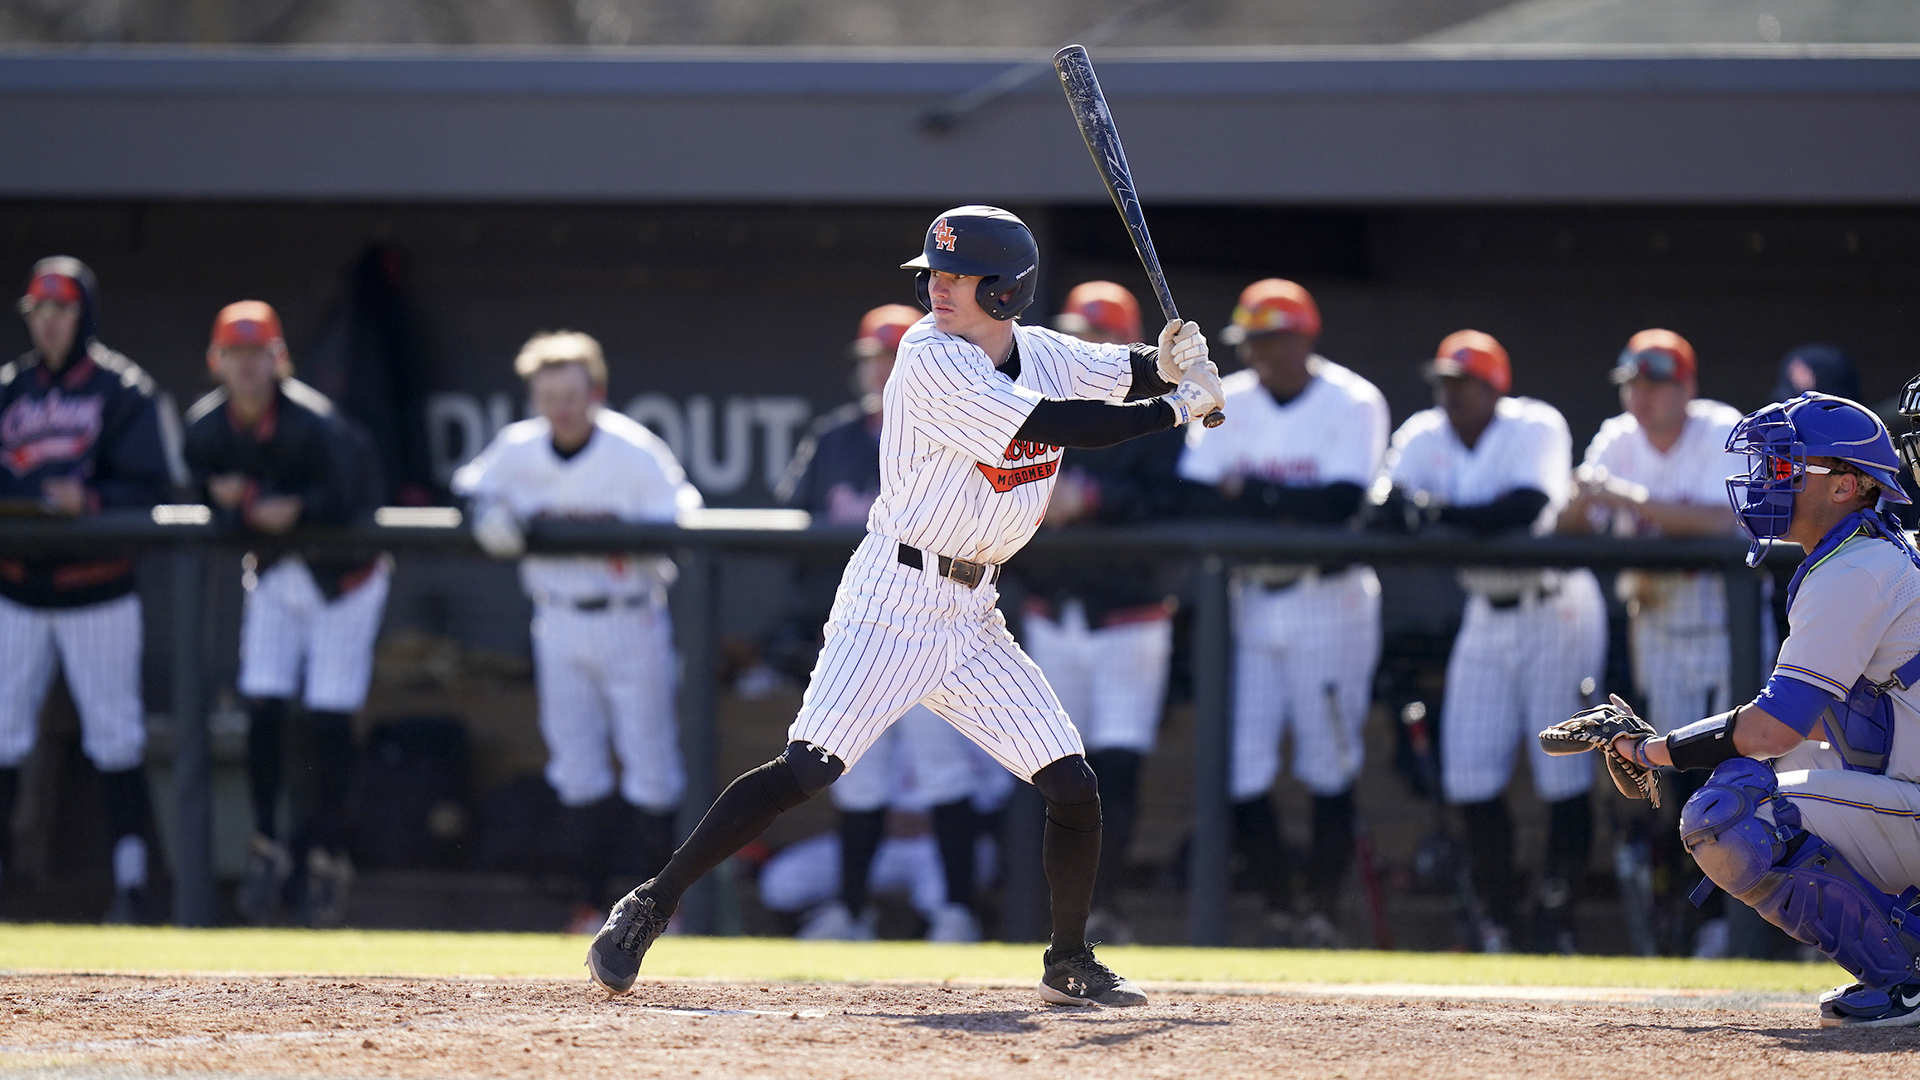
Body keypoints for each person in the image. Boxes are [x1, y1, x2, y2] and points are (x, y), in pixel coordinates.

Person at [588, 205, 1223, 1007]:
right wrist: (1178, 406)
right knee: (808, 768)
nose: (939, 289)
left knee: (1071, 782)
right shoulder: (928, 358)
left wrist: (1167, 361)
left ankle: (1070, 959)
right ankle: (650, 905)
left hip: (973, 609)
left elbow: (1115, 373)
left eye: (960, 277)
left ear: (1007, 291)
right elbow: (1060, 424)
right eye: (935, 274)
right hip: (894, 596)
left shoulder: (1046, 352)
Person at [1553, 391, 1920, 1027]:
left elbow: (1774, 724)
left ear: (1846, 487)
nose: (1765, 479)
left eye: (1786, 466)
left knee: (1729, 815)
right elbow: (1791, 730)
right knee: (1771, 761)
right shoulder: (1878, 550)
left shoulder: (1857, 567)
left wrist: (1652, 750)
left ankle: (1902, 982)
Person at [453, 331, 702, 930]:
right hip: (558, 618)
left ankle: (657, 911)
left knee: (650, 766)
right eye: (548, 395)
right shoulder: (519, 449)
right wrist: (484, 514)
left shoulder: (630, 450)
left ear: (595, 392)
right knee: (576, 766)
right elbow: (469, 487)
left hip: (630, 615)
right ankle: (589, 905)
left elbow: (685, 513)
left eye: (570, 393)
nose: (560, 407)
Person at [778, 303, 1002, 944]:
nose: (879, 369)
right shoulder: (835, 437)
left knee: (942, 768)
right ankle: (851, 910)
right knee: (852, 768)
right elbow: (796, 528)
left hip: (933, 619)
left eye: (891, 356)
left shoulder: (956, 430)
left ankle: (956, 909)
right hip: (860, 624)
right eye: (872, 358)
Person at [1379, 329, 1606, 954]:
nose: (1452, 395)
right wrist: (1429, 511)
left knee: (1563, 773)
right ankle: (1498, 922)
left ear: (1493, 385)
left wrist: (1435, 513)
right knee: (1470, 774)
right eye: (1445, 383)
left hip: (1553, 605)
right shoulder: (1424, 433)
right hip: (1485, 608)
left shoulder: (1534, 425)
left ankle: (1556, 918)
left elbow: (1522, 507)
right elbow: (1384, 507)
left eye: (1465, 383)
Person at [1177, 278, 1387, 947]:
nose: (1260, 353)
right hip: (1252, 602)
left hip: (1329, 598)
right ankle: (1279, 902)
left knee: (1329, 761)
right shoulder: (1227, 398)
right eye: (1251, 341)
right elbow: (1199, 498)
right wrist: (1278, 500)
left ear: (1302, 337)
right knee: (1240, 766)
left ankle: (1322, 908)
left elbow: (1340, 505)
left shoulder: (1352, 399)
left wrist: (1251, 492)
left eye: (1271, 339)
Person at [183, 300, 389, 927]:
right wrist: (243, 506)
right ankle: (267, 842)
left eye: (258, 355)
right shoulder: (207, 427)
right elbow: (197, 488)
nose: (247, 368)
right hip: (276, 571)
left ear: (279, 360)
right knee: (264, 703)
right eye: (235, 355)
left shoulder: (316, 422)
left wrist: (298, 506)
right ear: (218, 361)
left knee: (329, 714)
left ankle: (327, 854)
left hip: (342, 575)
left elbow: (359, 499)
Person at [1555, 329, 1743, 955]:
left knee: (1739, 770)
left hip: (1723, 620)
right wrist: (1585, 500)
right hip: (1656, 621)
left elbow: (1726, 521)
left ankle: (1741, 921)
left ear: (1685, 387)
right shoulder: (1616, 437)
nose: (1642, 396)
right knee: (1677, 774)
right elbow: (1569, 526)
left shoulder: (1723, 428)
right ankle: (1697, 916)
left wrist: (1629, 498)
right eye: (1634, 383)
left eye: (1655, 384)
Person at [0, 257, 177, 923]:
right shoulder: (10, 389)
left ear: (84, 316)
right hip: (17, 588)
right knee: (2, 733)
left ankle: (131, 885)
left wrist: (94, 498)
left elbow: (155, 490)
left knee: (116, 736)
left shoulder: (123, 390)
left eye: (62, 311)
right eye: (38, 312)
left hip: (98, 589)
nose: (49, 324)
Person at [1019, 280, 1184, 946]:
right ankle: (1040, 913)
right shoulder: (1041, 398)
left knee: (1116, 767)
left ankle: (1105, 907)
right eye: (1075, 333)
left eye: (1097, 334)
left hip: (1129, 617)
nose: (1083, 346)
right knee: (1045, 768)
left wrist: (1093, 500)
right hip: (1052, 609)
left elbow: (1166, 501)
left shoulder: (1159, 413)